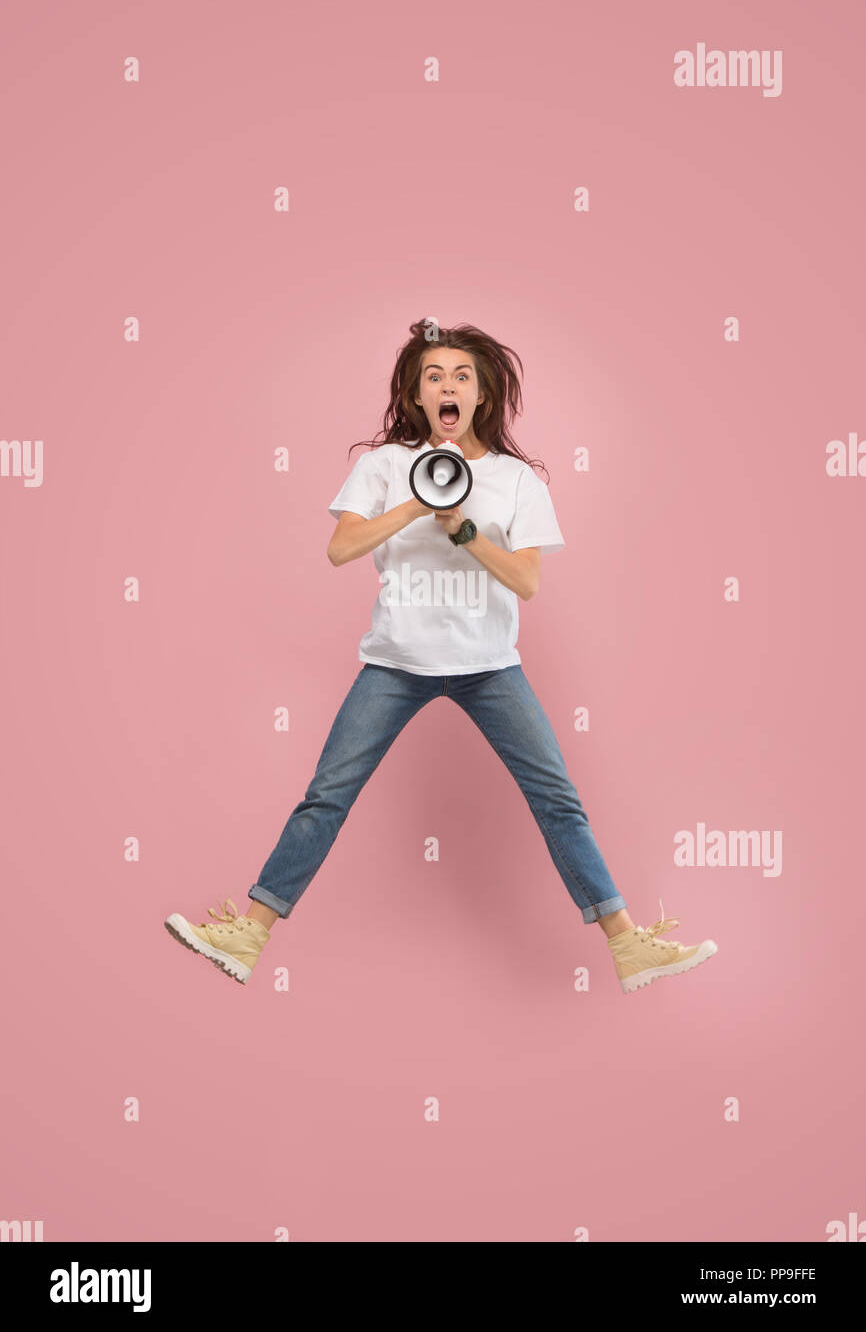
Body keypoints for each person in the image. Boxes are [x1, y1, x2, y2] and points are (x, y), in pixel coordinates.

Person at [164, 319, 718, 995]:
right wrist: (417, 504)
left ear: (481, 394)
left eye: (461, 376)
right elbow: (341, 549)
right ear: (418, 395)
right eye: (434, 376)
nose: (447, 385)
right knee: (326, 797)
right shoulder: (384, 466)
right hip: (396, 663)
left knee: (558, 800)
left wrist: (463, 530)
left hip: (490, 665)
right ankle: (248, 935)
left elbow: (527, 581)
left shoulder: (516, 480)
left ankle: (628, 945)